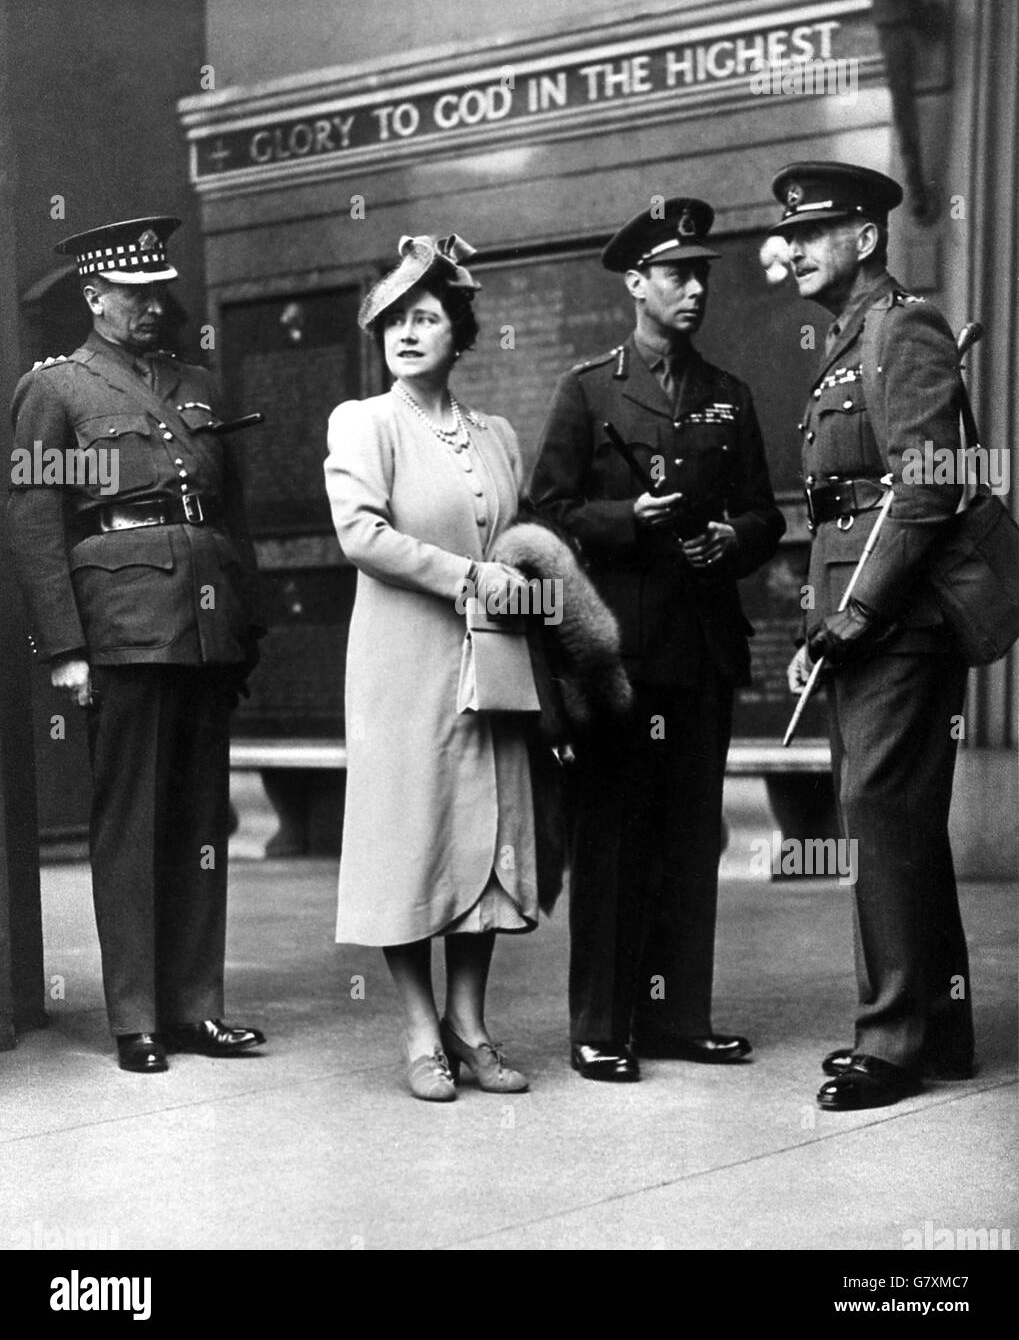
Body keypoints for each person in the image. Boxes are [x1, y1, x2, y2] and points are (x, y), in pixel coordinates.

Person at [528, 198, 785, 1082]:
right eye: (676, 273)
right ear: (635, 283)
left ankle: (678, 1017)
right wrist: (629, 520)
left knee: (688, 834)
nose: (693, 288)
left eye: (702, 274)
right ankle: (601, 1025)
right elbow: (546, 519)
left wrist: (734, 541)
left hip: (700, 645)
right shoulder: (587, 390)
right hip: (619, 662)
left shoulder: (729, 394)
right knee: (609, 841)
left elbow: (765, 511)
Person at [7, 216, 265, 1073]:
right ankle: (137, 1018)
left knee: (200, 820)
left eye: (160, 291)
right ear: (94, 298)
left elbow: (233, 515)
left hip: (203, 624)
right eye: (134, 295)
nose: (153, 306)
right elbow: (37, 521)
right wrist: (65, 648)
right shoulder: (60, 390)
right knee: (131, 825)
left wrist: (245, 625)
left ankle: (198, 1007)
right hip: (121, 628)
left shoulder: (197, 384)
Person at [773, 162, 975, 1111]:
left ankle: (889, 1043)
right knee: (894, 826)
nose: (794, 248)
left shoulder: (906, 329)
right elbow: (845, 513)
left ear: (862, 239)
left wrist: (855, 618)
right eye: (792, 232)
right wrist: (824, 627)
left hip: (898, 625)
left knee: (877, 820)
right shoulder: (850, 340)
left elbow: (928, 485)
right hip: (857, 622)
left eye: (813, 233)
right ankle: (941, 1031)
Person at [323, 234, 539, 1102]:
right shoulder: (364, 421)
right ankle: (419, 1034)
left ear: (460, 333)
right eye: (394, 321)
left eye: (427, 317)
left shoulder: (497, 435)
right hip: (401, 661)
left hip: (493, 662)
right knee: (408, 839)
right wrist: (470, 580)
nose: (408, 333)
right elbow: (361, 535)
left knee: (482, 840)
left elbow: (516, 543)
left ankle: (470, 1025)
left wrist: (525, 598)